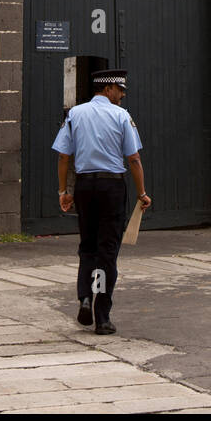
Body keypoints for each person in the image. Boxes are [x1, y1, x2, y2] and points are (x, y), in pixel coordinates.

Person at [52, 69, 151, 335]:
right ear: (107, 89)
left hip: (85, 185)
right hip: (111, 186)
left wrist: (64, 191)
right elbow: (133, 159)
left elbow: (63, 156)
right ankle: (102, 316)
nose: (121, 95)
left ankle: (84, 296)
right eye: (119, 90)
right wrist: (142, 193)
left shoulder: (74, 114)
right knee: (107, 251)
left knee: (88, 245)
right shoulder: (121, 116)